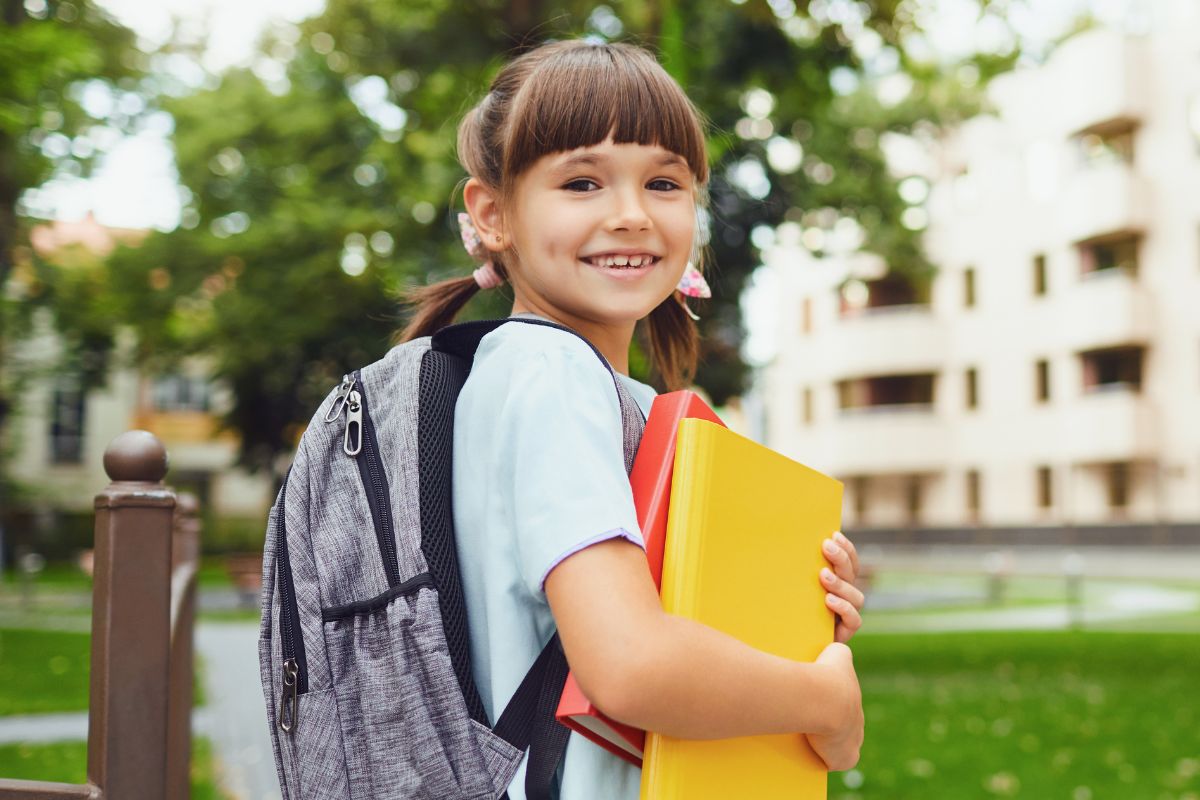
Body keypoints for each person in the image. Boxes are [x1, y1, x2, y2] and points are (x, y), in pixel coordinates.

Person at [399, 39, 865, 800]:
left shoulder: (506, 375)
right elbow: (630, 665)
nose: (630, 215)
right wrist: (827, 701)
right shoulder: (555, 377)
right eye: (582, 182)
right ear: (492, 215)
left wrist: (798, 621)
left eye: (664, 182)